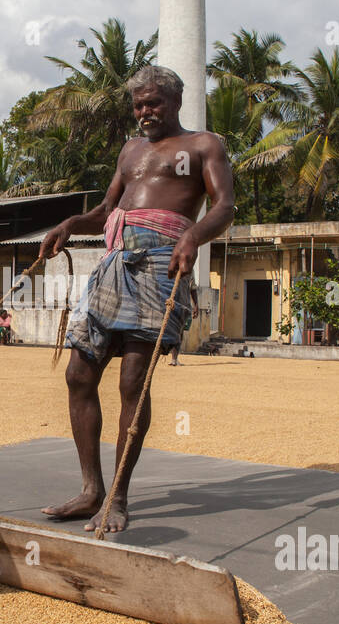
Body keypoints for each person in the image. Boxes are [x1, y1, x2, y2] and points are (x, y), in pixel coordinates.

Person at [37, 66, 234, 533]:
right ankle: (91, 490)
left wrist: (194, 238)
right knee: (78, 374)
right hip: (113, 266)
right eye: (139, 104)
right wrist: (70, 224)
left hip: (160, 266)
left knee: (132, 382)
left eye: (154, 103)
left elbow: (225, 206)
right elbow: (107, 211)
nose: (145, 112)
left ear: (175, 101)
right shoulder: (131, 149)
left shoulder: (205, 145)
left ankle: (119, 497)